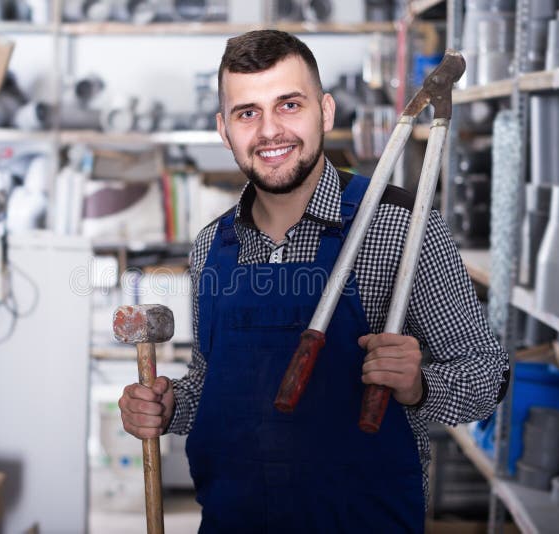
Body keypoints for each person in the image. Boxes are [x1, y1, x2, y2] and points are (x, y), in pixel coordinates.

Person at [119, 30, 509, 533]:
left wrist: (418, 386)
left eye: (289, 104)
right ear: (224, 129)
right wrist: (170, 404)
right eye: (247, 113)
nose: (269, 131)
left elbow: (487, 375)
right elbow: (208, 380)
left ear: (324, 112)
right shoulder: (212, 248)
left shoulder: (399, 226)